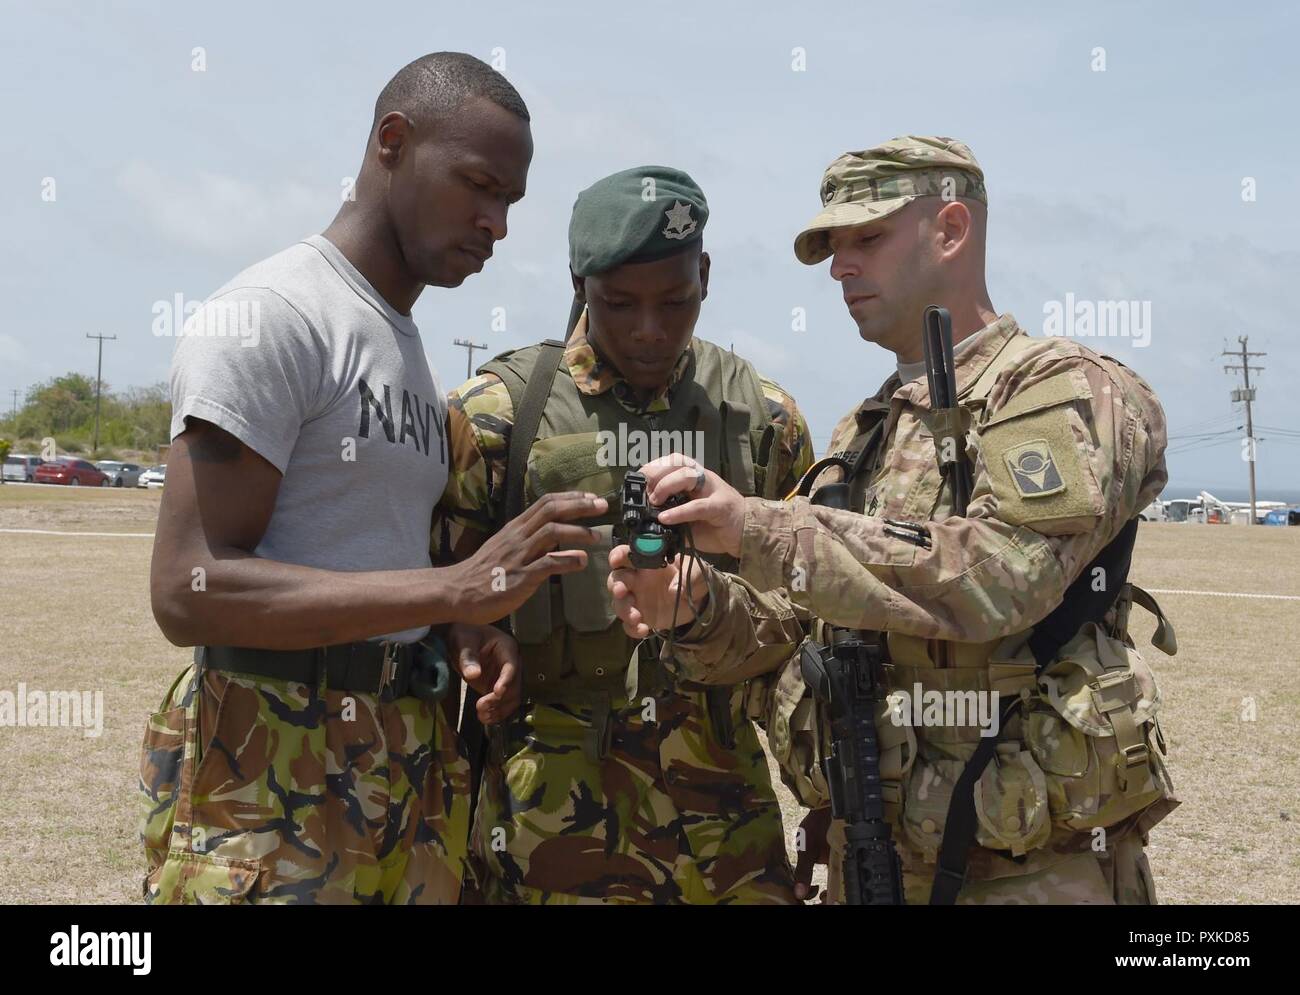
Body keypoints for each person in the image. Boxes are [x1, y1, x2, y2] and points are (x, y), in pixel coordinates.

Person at [609, 136, 1179, 904]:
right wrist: (693, 606)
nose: (842, 266)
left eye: (867, 238)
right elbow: (788, 629)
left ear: (950, 229)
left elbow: (1004, 573)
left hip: (1026, 870)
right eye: (833, 248)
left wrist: (757, 529)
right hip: (874, 858)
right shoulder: (863, 433)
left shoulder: (1065, 390)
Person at [139, 52, 606, 905]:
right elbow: (188, 586)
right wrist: (455, 587)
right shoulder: (277, 317)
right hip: (272, 759)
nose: (496, 223)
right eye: (478, 185)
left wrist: (456, 628)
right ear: (393, 141)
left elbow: (364, 559)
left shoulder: (405, 350)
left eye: (509, 201)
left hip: (400, 761)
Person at [432, 166, 815, 903]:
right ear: (579, 282)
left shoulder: (764, 421)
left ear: (704, 274)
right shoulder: (498, 415)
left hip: (728, 833)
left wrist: (827, 798)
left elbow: (811, 620)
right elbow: (431, 599)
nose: (650, 328)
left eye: (676, 301)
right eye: (619, 302)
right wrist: (469, 632)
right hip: (548, 829)